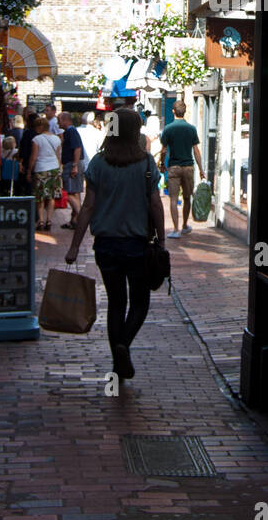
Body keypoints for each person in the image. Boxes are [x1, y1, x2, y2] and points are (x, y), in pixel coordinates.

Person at [65, 108, 165, 381]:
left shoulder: (98, 163)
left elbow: (87, 207)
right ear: (135, 131)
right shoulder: (145, 163)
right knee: (140, 302)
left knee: (116, 302)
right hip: (137, 245)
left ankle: (117, 363)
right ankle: (124, 344)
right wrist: (162, 239)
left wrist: (74, 246)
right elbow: (155, 203)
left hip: (106, 245)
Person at [160, 100, 204, 237]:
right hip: (188, 167)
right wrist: (201, 169)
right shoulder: (191, 129)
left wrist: (162, 164)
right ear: (184, 112)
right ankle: (185, 225)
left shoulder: (168, 129)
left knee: (173, 198)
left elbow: (163, 150)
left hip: (174, 167)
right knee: (187, 197)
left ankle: (175, 229)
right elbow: (196, 151)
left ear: (173, 111)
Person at [27, 116, 62, 231]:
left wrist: (29, 171)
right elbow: (58, 156)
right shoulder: (57, 139)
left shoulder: (37, 139)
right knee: (51, 196)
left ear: (40, 127)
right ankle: (49, 220)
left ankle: (41, 220)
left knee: (40, 197)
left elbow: (33, 157)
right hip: (54, 169)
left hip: (41, 169)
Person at [58, 111, 84, 229]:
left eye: (59, 120)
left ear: (65, 120)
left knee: (69, 192)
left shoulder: (71, 131)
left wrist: (74, 165)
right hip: (74, 163)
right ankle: (75, 220)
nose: (58, 122)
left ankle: (82, 217)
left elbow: (77, 148)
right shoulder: (69, 132)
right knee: (75, 192)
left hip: (72, 164)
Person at [15, 110, 37, 197]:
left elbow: (23, 149)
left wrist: (20, 162)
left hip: (27, 161)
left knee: (26, 184)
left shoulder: (27, 133)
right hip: (37, 162)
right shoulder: (38, 134)